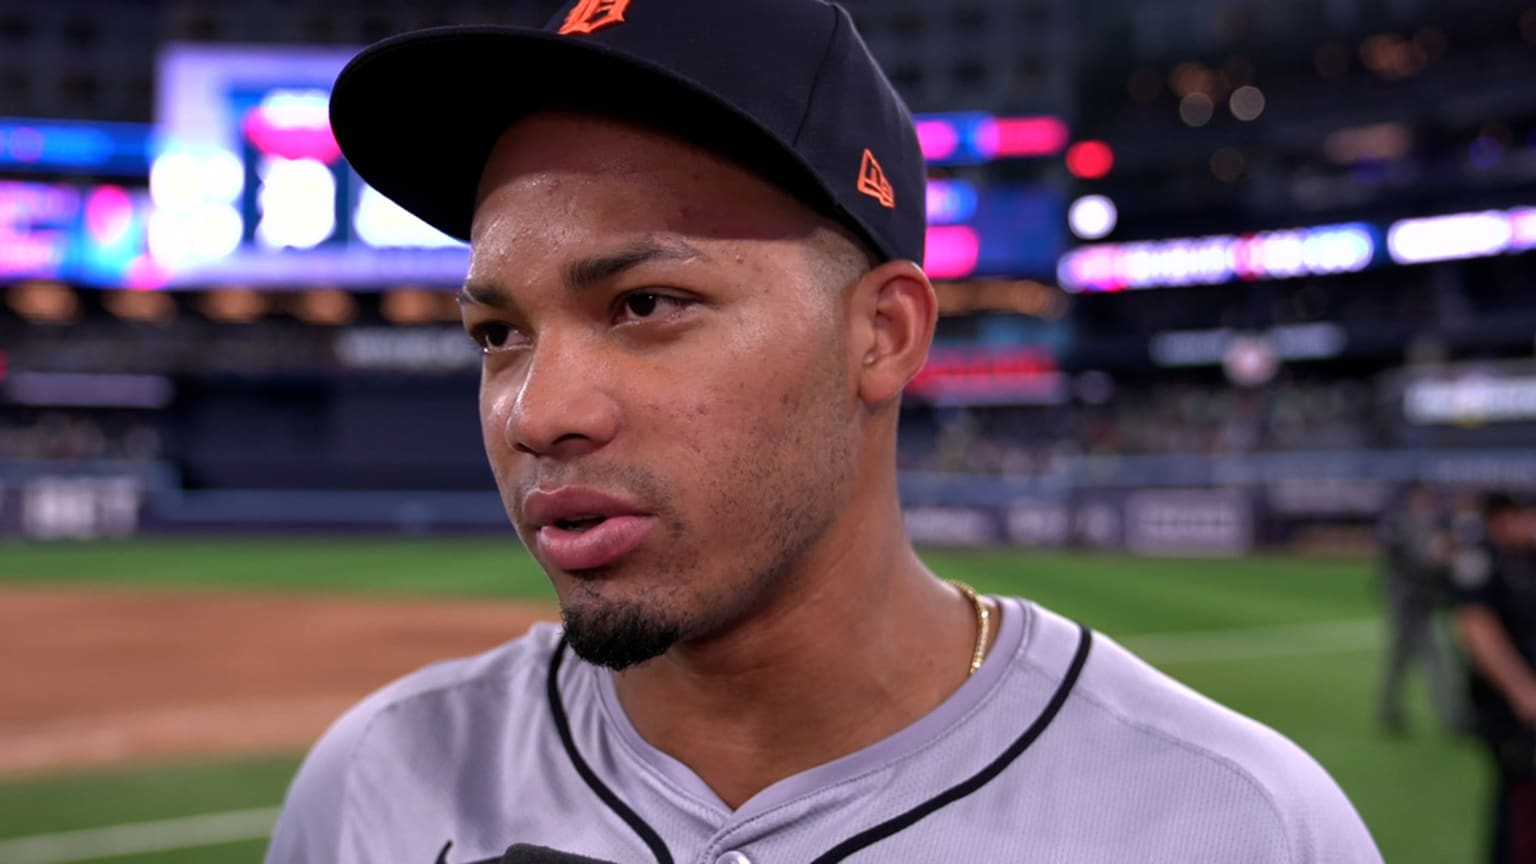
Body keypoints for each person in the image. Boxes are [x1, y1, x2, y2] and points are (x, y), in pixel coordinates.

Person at [268, 2, 1382, 861]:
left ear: (883, 335)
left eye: (646, 304)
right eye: (499, 333)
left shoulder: (1236, 825)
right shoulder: (374, 783)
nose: (540, 413)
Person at [1452, 493, 1536, 864]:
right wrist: (1523, 690)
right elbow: (1476, 626)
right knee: (1520, 807)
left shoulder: (1524, 557)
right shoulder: (1482, 558)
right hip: (1511, 714)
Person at [1376, 483, 1461, 733]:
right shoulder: (1402, 521)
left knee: (1405, 659)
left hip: (1423, 600)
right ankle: (1450, 717)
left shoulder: (1435, 521)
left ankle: (1391, 711)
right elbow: (1410, 557)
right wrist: (1437, 557)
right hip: (1406, 601)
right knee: (1424, 658)